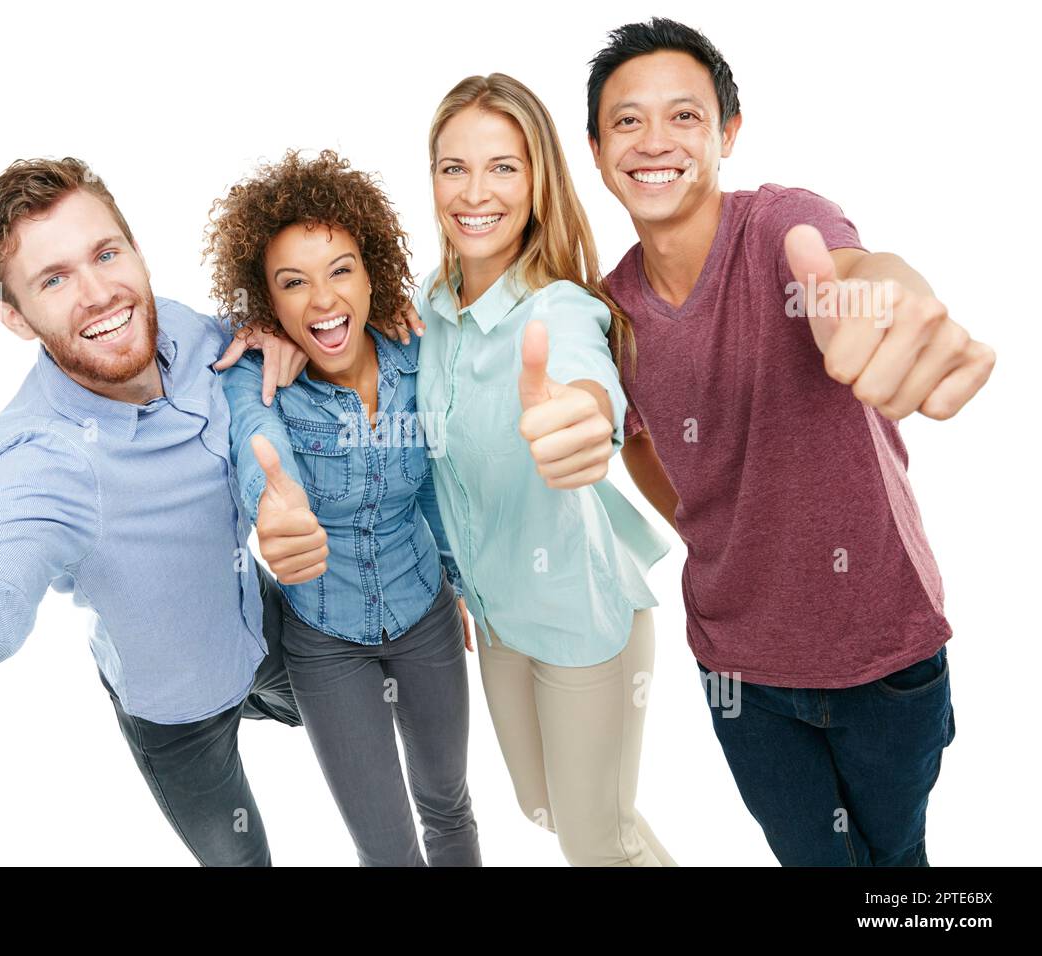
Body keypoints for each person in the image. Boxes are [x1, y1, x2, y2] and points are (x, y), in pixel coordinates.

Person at [0, 156, 332, 867]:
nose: (99, 294)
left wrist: (289, 334)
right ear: (14, 318)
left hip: (257, 621)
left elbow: (278, 328)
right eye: (53, 279)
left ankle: (263, 700)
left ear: (137, 251)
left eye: (106, 254)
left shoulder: (188, 330)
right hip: (176, 712)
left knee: (357, 711)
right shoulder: (43, 457)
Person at [586, 18, 994, 865]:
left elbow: (858, 272)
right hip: (741, 671)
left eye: (684, 116)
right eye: (627, 121)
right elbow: (633, 440)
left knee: (898, 867)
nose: (654, 141)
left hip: (884, 648)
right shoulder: (610, 310)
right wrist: (706, 524)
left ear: (728, 133)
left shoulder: (784, 226)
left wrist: (891, 299)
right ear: (597, 150)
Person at [414, 74, 676, 866]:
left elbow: (586, 389)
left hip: (579, 617)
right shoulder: (432, 305)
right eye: (454, 168)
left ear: (538, 183)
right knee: (550, 812)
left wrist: (584, 421)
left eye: (503, 167)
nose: (474, 192)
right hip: (496, 618)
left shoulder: (557, 309)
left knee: (597, 844)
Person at [207, 149, 481, 866]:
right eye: (293, 283)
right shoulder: (254, 376)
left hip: (425, 613)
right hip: (325, 640)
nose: (323, 301)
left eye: (341, 271)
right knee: (386, 849)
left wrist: (454, 582)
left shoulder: (415, 353)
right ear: (268, 303)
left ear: (371, 275)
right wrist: (275, 507)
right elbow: (257, 442)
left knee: (449, 808)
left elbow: (434, 485)